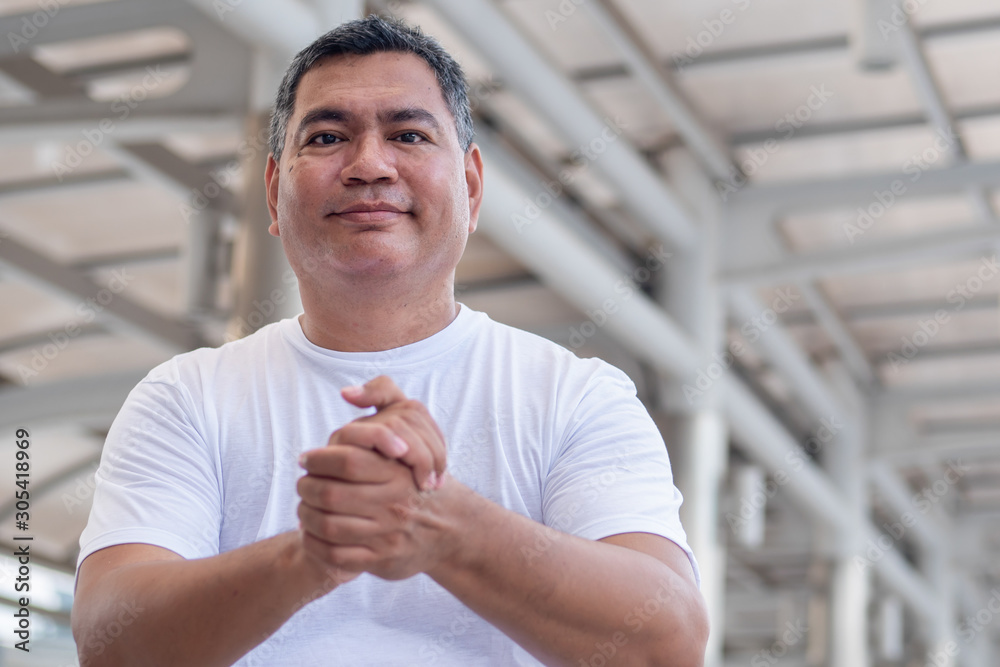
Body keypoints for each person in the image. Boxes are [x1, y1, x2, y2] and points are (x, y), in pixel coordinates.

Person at [71, 15, 708, 667]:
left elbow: (666, 643)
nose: (369, 165)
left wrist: (448, 526)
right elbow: (109, 643)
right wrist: (313, 552)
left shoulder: (576, 397)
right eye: (327, 137)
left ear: (471, 188)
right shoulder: (186, 398)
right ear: (273, 192)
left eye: (408, 134)